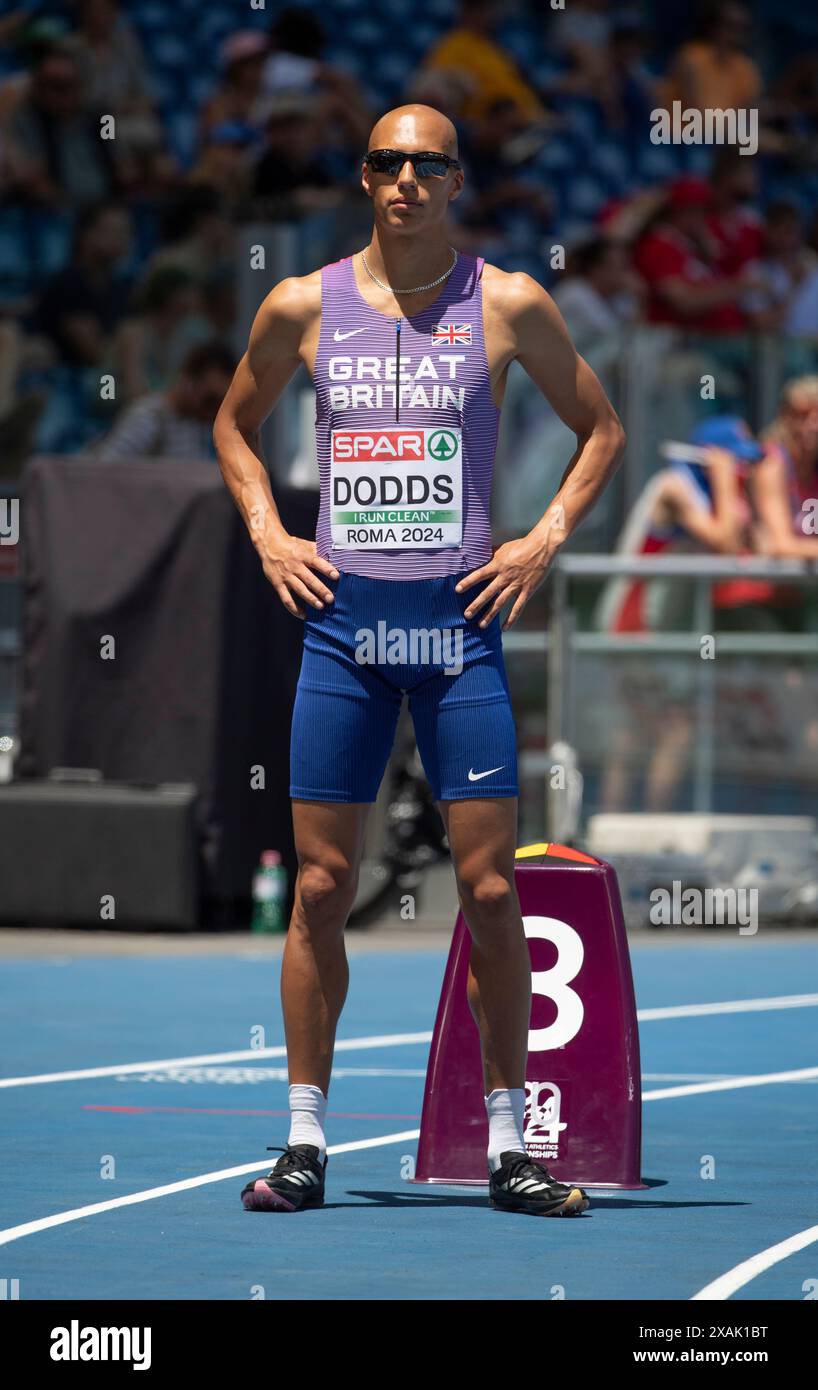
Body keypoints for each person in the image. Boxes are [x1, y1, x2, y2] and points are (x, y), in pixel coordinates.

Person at [214, 103, 624, 1218]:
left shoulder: (507, 303)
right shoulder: (302, 304)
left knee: (491, 887)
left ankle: (506, 1145)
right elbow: (230, 424)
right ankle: (303, 1140)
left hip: (457, 627)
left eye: (425, 164)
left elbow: (601, 428)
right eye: (386, 163)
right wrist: (264, 529)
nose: (403, 180)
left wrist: (537, 539)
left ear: (453, 181)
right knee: (319, 882)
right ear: (363, 178)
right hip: (344, 624)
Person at [96, 340, 234, 461]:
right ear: (188, 382)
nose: (214, 413)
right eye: (210, 400)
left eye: (222, 403)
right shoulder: (150, 417)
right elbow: (105, 467)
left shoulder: (198, 425)